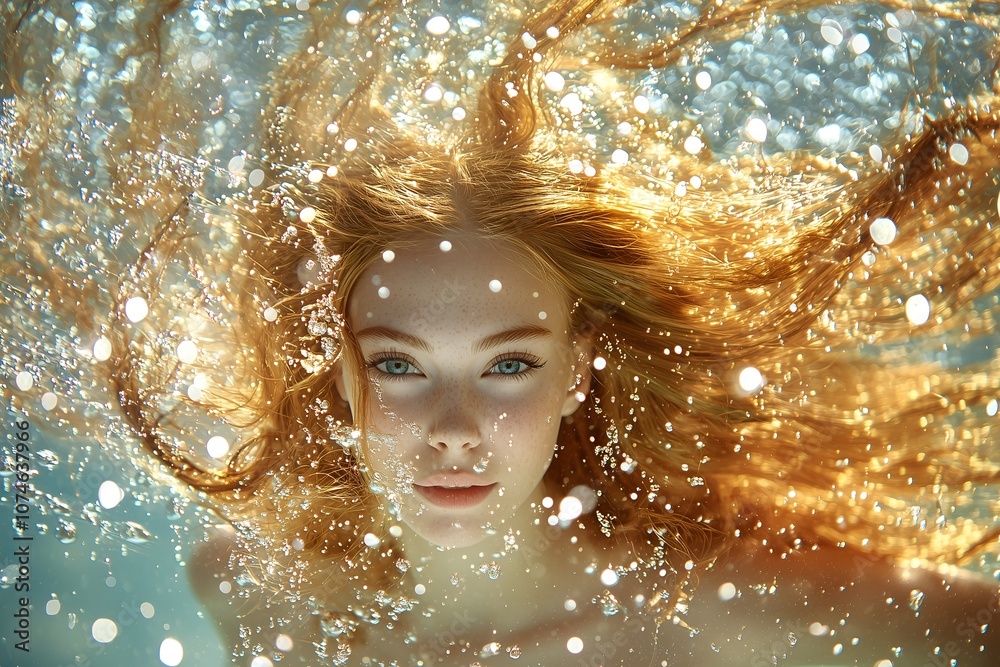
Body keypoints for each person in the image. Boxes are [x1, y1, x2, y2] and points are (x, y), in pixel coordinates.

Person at [4, 0, 1000, 665]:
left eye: (508, 364)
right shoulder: (258, 597)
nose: (452, 425)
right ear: (338, 376)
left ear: (577, 374)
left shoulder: (705, 620)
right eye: (397, 364)